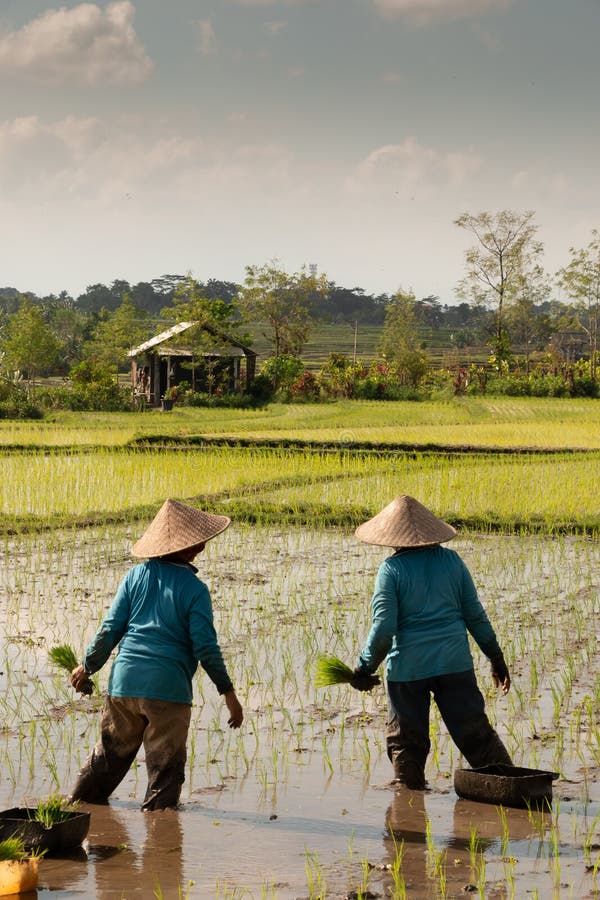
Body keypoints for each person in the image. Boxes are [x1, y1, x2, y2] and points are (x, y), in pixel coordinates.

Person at [69, 499, 243, 811]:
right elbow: (205, 647)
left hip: (123, 685)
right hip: (168, 691)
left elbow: (110, 628)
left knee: (108, 757)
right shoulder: (194, 590)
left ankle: (72, 811)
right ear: (194, 548)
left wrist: (88, 666)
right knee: (164, 773)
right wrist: (228, 693)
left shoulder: (135, 577)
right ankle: (161, 845)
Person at [353, 495, 512, 790]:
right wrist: (495, 656)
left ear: (391, 538)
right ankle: (512, 791)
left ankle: (409, 813)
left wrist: (364, 667)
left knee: (407, 746)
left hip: (407, 672)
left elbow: (384, 627)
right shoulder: (452, 562)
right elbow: (475, 615)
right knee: (477, 736)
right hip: (454, 665)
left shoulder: (391, 571)